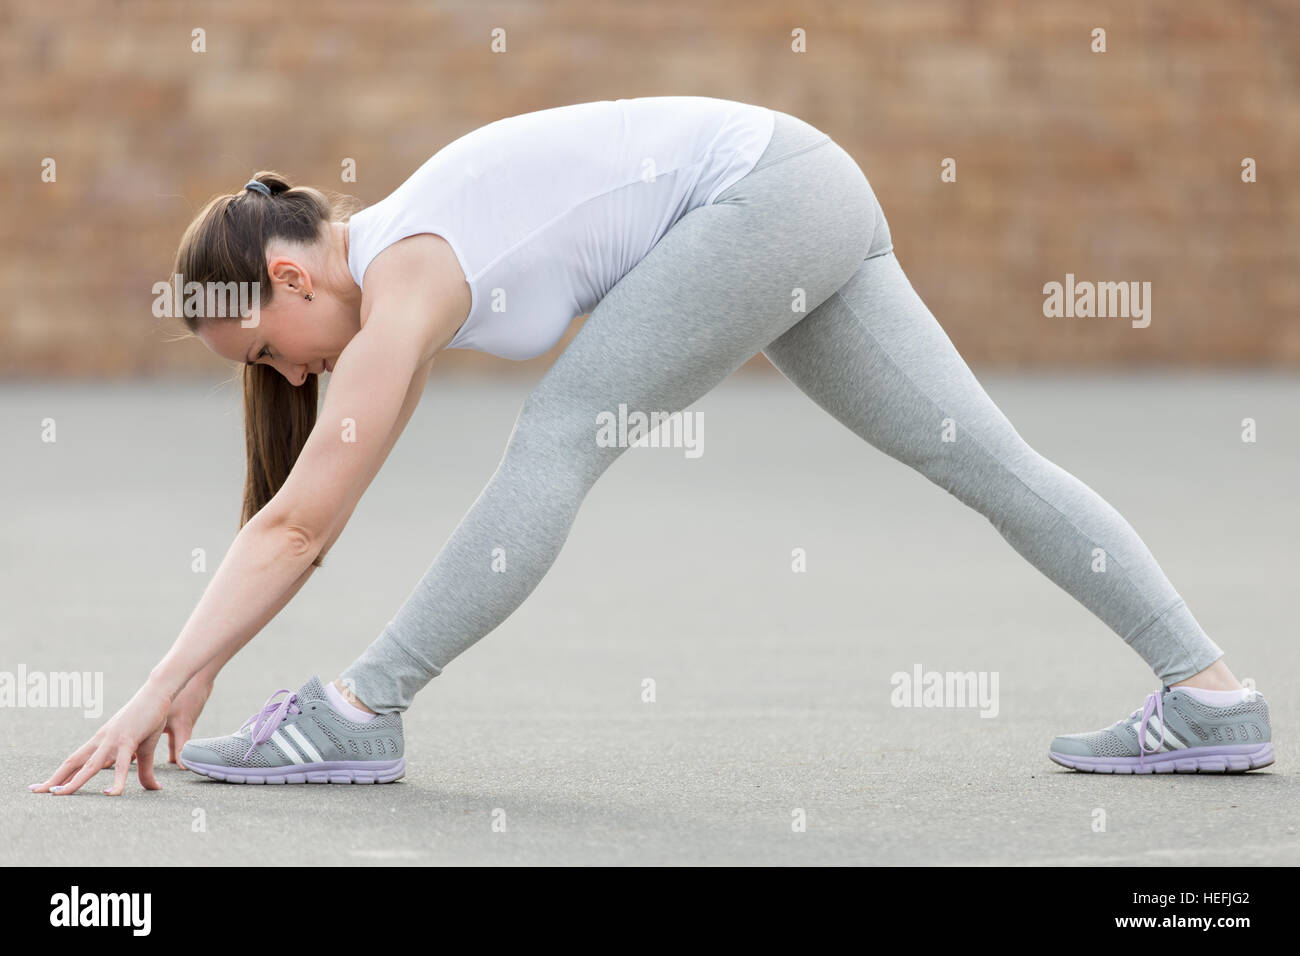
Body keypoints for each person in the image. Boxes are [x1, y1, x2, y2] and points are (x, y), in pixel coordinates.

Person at [30, 96, 1272, 795]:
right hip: (805, 189)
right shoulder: (404, 266)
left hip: (768, 198)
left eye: (265, 350)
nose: (288, 375)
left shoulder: (405, 274)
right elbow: (309, 509)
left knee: (561, 432)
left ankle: (361, 709)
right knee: (985, 460)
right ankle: (1210, 693)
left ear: (292, 274)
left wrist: (160, 680)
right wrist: (200, 660)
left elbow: (298, 519)